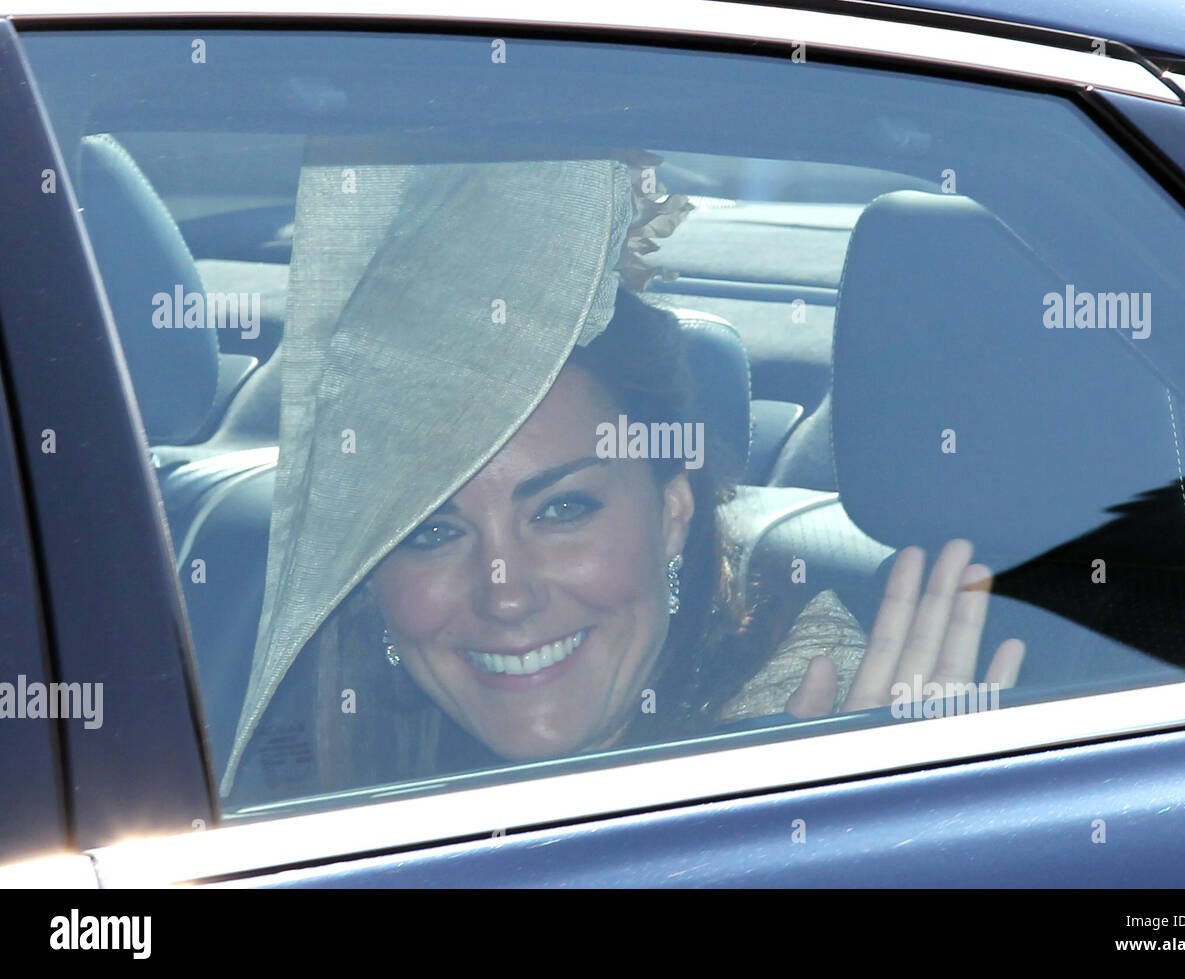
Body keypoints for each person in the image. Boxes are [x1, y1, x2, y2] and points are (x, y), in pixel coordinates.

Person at [218, 152, 1022, 802]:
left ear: (673, 512)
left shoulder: (828, 735)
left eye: (562, 510)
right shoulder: (311, 778)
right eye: (431, 531)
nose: (505, 594)